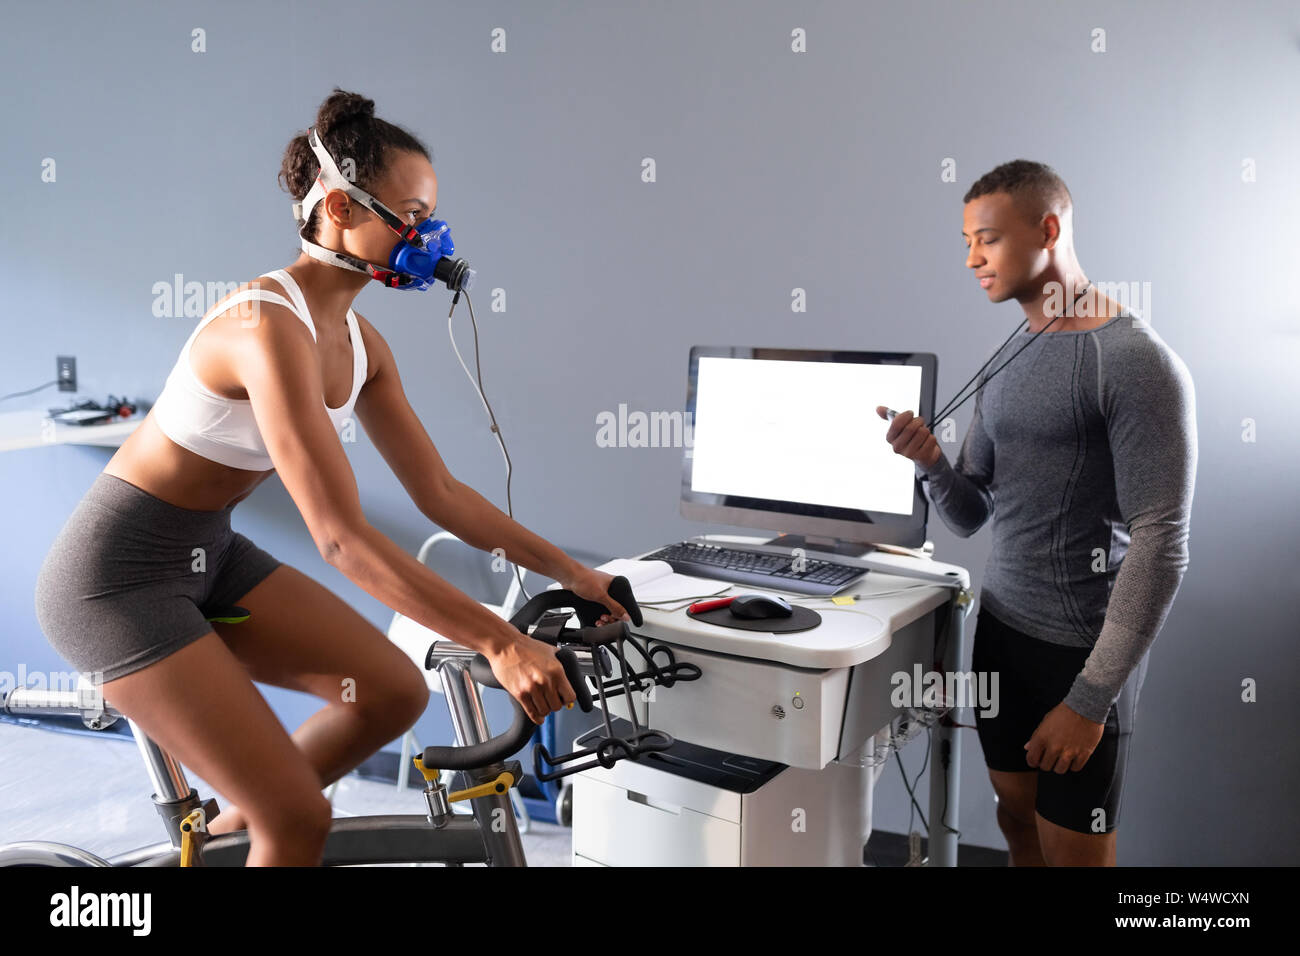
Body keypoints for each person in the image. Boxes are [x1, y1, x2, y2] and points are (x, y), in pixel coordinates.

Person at [33, 89, 630, 866]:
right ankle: (268, 824)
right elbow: (340, 541)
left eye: (432, 214)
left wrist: (573, 572)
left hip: (207, 556)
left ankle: (223, 841)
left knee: (392, 693)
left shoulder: (361, 341)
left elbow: (440, 495)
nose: (430, 234)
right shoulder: (264, 324)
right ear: (343, 207)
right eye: (410, 214)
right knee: (296, 820)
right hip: (113, 583)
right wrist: (499, 640)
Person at [875, 159, 1197, 866]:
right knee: (1016, 823)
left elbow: (1161, 543)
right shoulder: (1007, 355)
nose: (971, 259)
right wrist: (930, 464)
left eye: (986, 239)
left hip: (1080, 650)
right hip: (1002, 634)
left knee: (1071, 850)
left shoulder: (1134, 361)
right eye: (965, 242)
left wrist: (1089, 699)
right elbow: (970, 513)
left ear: (1048, 229)